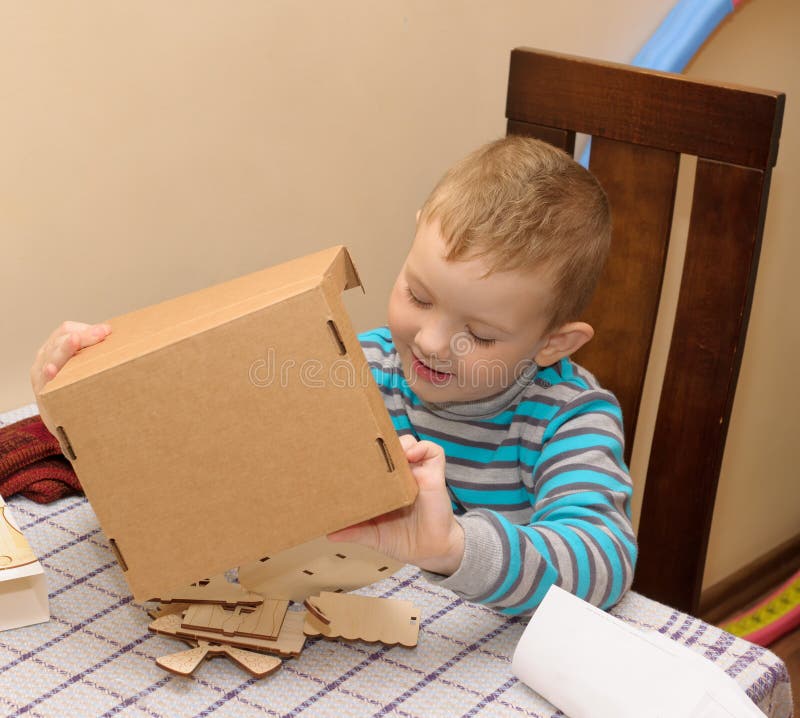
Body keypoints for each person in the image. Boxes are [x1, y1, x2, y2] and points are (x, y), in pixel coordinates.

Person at [30, 136, 636, 616]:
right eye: (418, 296)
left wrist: (452, 550)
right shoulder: (349, 367)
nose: (428, 341)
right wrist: (77, 412)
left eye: (477, 336)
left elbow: (605, 561)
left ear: (554, 343)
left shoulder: (569, 417)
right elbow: (201, 460)